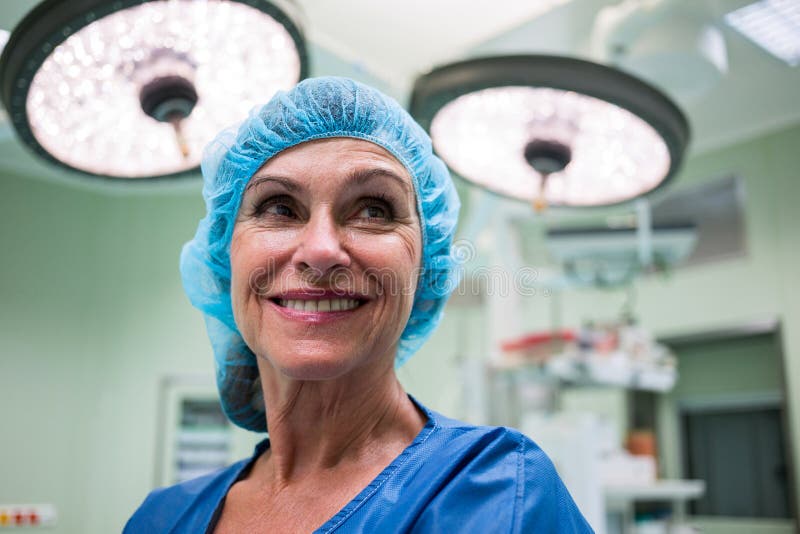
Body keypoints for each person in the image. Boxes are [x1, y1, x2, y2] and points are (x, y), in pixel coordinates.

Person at [125, 77, 592, 533]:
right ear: (226, 258)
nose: (322, 250)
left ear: (425, 269)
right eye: (279, 208)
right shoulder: (162, 520)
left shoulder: (497, 496)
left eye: (373, 209)